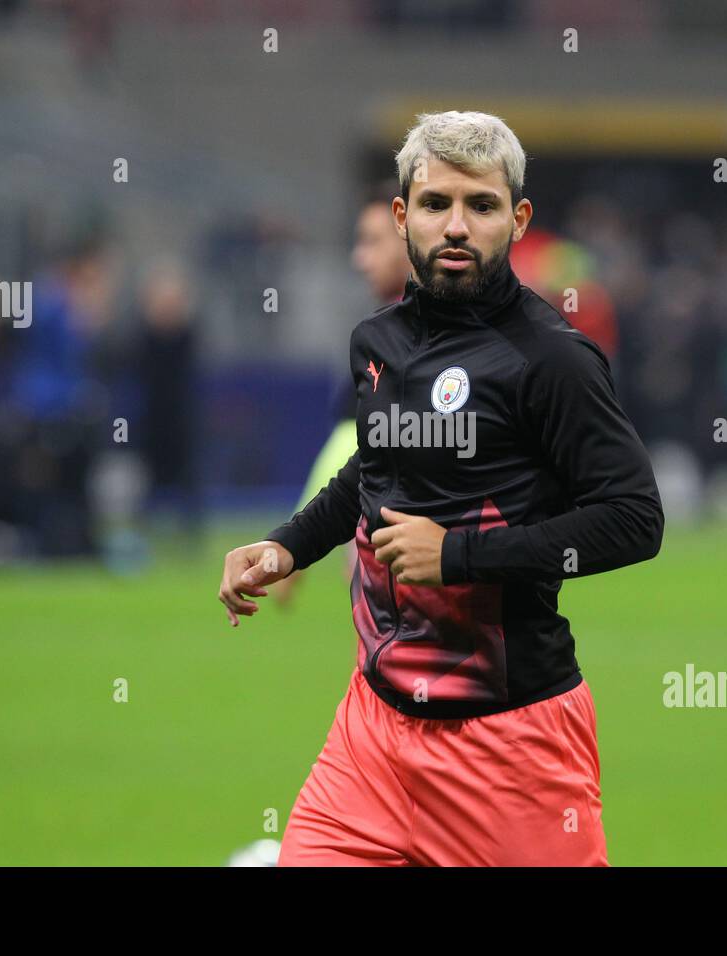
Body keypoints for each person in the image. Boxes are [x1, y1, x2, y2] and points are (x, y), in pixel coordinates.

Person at [217, 111, 664, 866]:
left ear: (517, 219)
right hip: (373, 737)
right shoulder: (378, 343)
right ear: (403, 216)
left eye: (481, 206)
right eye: (436, 204)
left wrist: (457, 555)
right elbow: (375, 466)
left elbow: (633, 521)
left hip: (512, 747)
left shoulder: (554, 361)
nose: (457, 226)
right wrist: (287, 546)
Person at [270, 181, 412, 605]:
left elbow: (355, 441)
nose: (359, 257)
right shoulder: (385, 333)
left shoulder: (402, 342)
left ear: (411, 234)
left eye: (372, 241)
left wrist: (296, 544)